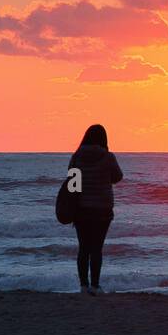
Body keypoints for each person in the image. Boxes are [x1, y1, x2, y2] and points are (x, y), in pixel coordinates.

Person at [69, 124, 123, 296]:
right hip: (102, 209)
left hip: (82, 210)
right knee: (96, 248)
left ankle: (83, 286)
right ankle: (95, 286)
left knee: (83, 248)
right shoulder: (108, 157)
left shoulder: (77, 157)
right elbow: (118, 177)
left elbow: (72, 185)